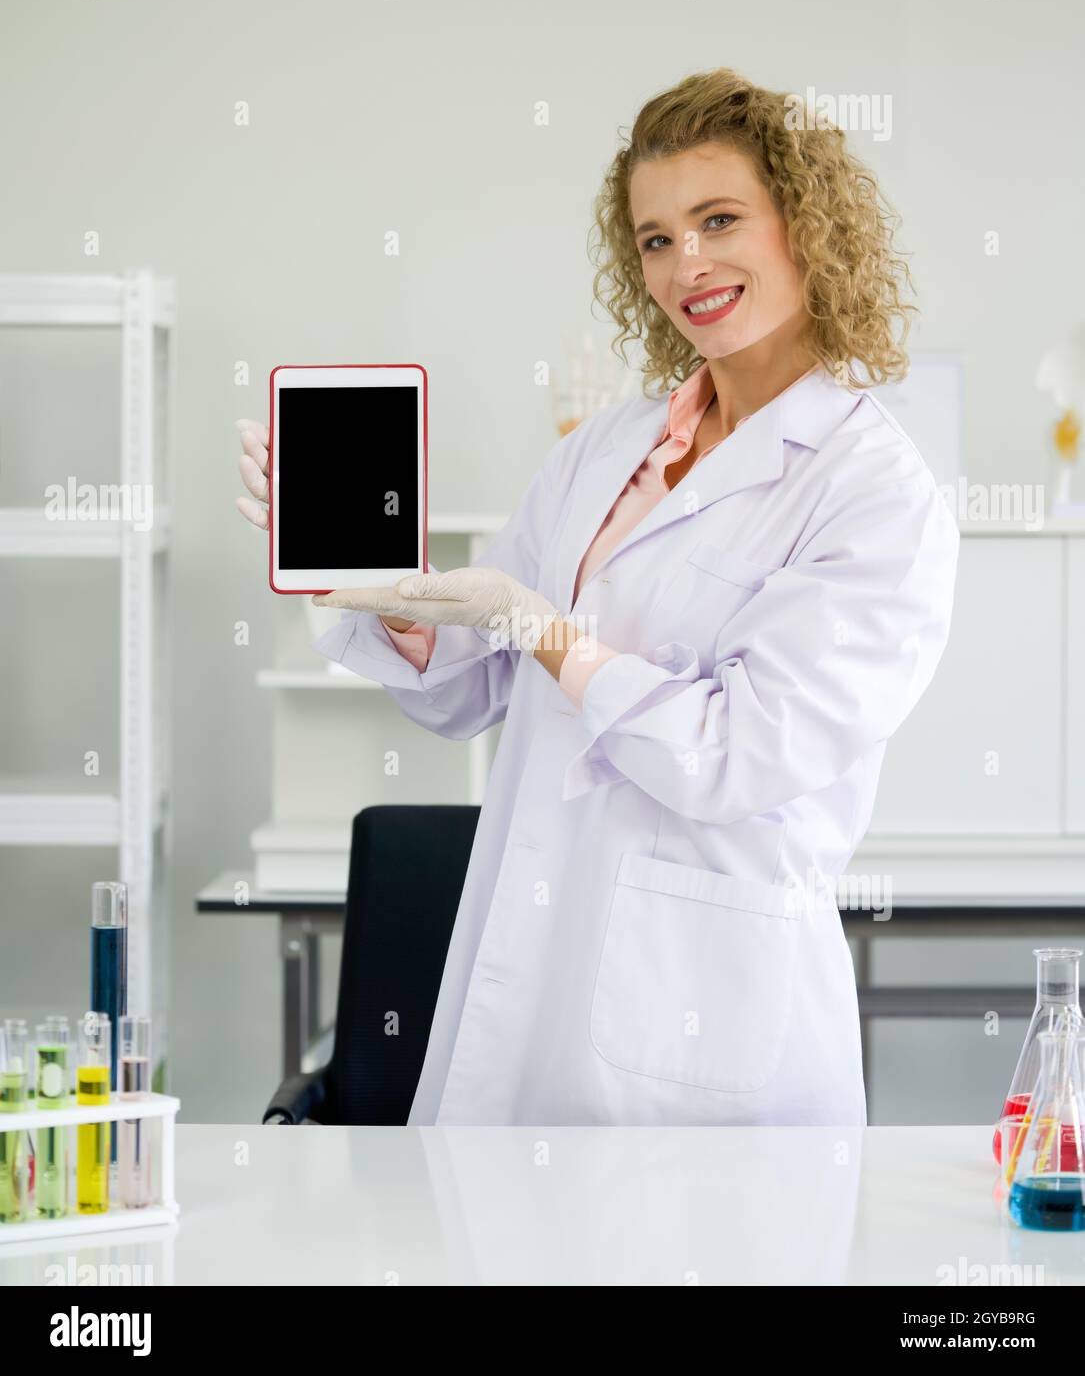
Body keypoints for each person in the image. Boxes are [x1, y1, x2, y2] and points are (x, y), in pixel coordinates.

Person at [236, 67, 959, 1125]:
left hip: (696, 1017)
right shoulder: (610, 449)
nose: (686, 265)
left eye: (718, 220)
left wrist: (537, 626)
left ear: (805, 227)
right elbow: (467, 692)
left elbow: (735, 755)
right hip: (524, 973)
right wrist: (383, 589)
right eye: (655, 238)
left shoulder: (872, 488)